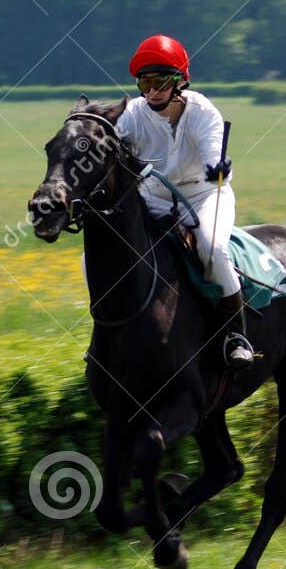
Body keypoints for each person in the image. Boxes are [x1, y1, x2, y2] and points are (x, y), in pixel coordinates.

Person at [115, 34, 254, 369]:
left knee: (211, 247)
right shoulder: (132, 115)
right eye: (143, 83)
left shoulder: (203, 112)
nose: (150, 92)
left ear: (180, 82)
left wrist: (217, 168)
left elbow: (211, 158)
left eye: (159, 82)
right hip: (154, 201)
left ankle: (236, 334)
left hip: (205, 195)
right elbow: (113, 149)